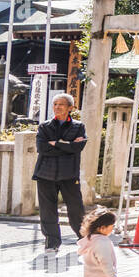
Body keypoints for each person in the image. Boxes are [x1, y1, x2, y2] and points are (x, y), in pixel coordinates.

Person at [33, 93, 88, 252]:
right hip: (45, 173)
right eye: (55, 104)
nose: (57, 107)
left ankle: (84, 238)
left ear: (70, 108)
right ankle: (52, 241)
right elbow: (42, 148)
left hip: (69, 174)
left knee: (76, 208)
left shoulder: (78, 127)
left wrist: (55, 143)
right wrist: (66, 146)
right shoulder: (45, 126)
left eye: (61, 104)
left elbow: (77, 147)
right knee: (47, 209)